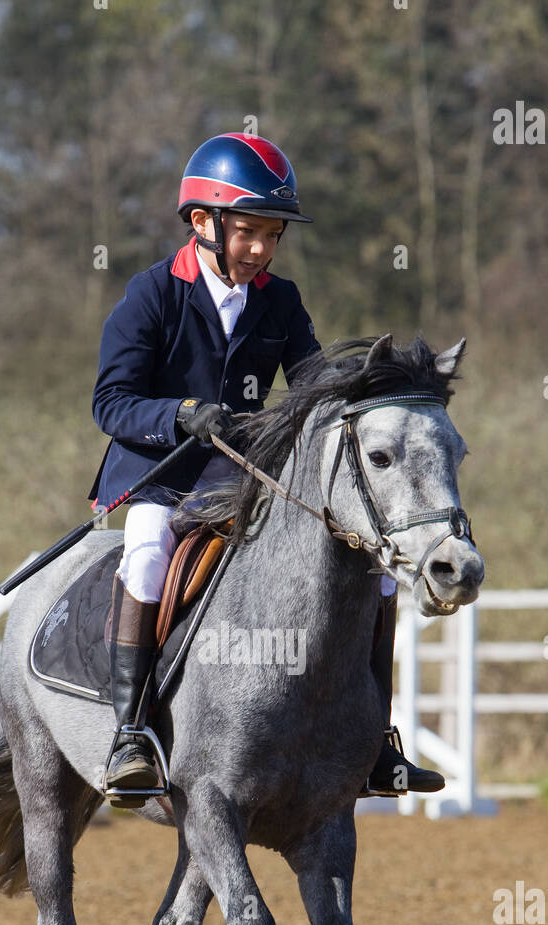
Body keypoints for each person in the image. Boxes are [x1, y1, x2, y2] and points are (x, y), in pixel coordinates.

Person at [89, 132, 444, 800]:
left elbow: (313, 382)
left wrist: (372, 386)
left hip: (245, 480)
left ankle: (375, 741)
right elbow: (110, 402)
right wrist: (180, 414)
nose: (260, 250)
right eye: (248, 232)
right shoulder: (152, 295)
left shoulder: (280, 300)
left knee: (378, 575)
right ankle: (130, 733)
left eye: (272, 235)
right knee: (143, 557)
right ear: (204, 221)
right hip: (161, 475)